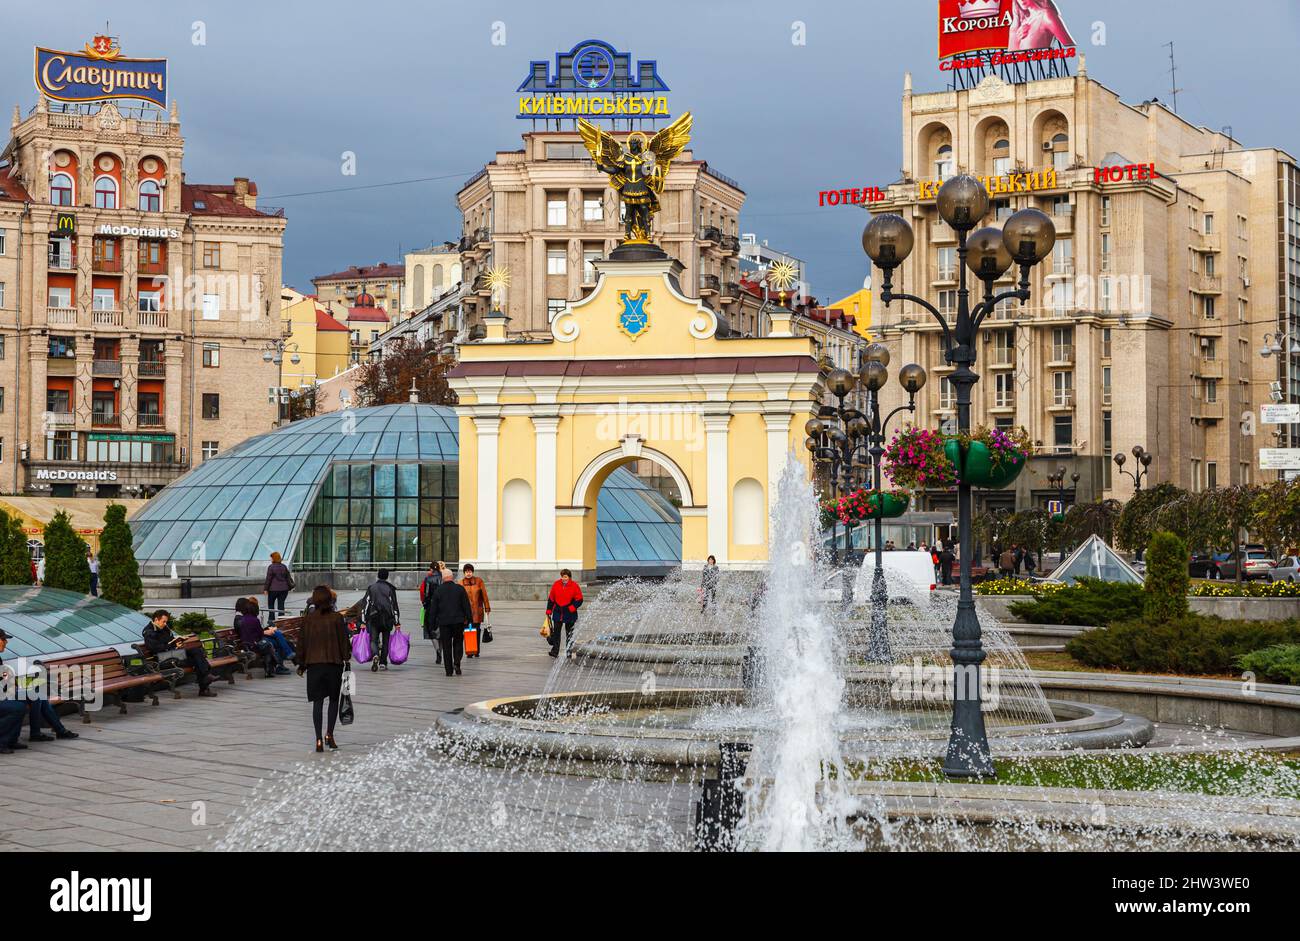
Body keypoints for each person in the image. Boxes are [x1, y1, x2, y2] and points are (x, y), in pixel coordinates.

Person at [297, 585, 352, 752]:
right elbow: (344, 642)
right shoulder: (336, 618)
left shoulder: (308, 619)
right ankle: (330, 734)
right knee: (334, 701)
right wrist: (346, 657)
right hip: (333, 664)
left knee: (317, 702)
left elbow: (302, 644)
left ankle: (318, 739)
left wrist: (301, 664)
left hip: (314, 665)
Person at [142, 610, 217, 697]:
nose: (165, 624)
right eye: (164, 621)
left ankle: (205, 680)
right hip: (162, 659)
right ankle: (205, 683)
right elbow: (155, 649)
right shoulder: (149, 631)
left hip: (172, 654)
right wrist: (171, 645)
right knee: (198, 659)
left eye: (166, 621)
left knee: (196, 653)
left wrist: (177, 642)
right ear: (156, 620)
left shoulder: (164, 628)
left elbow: (170, 640)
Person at [429, 569, 471, 676]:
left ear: (443, 578)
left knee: (447, 646)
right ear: (452, 577)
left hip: (444, 622)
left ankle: (448, 670)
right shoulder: (460, 589)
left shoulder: (438, 590)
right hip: (458, 621)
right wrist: (469, 620)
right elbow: (466, 606)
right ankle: (457, 663)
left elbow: (433, 609)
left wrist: (432, 624)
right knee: (458, 642)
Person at [235, 597, 289, 676]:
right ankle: (277, 666)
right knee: (271, 645)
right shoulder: (254, 620)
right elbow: (260, 634)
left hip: (247, 644)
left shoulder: (242, 619)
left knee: (273, 642)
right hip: (253, 645)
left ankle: (275, 667)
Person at [361, 569, 401, 672]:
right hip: (387, 619)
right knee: (385, 641)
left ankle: (375, 655)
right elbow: (394, 606)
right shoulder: (390, 589)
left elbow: (365, 604)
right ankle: (383, 662)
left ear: (378, 576)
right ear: (387, 576)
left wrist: (363, 621)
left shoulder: (371, 588)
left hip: (374, 618)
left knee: (373, 640)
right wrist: (397, 622)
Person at [545, 569, 584, 659]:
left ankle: (569, 652)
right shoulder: (556, 584)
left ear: (569, 577)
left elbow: (579, 599)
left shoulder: (574, 586)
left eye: (565, 576)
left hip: (570, 613)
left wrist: (572, 608)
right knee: (556, 633)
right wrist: (549, 610)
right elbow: (551, 598)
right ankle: (555, 651)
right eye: (562, 576)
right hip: (558, 612)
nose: (563, 578)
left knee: (569, 634)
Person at [460, 564, 491, 658]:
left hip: (477, 611)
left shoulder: (479, 581)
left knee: (476, 630)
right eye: (466, 571)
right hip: (465, 612)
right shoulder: (460, 583)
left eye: (470, 571)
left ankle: (476, 650)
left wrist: (487, 608)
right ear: (464, 572)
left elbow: (484, 596)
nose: (468, 573)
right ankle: (469, 651)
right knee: (467, 631)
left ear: (472, 572)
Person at [420, 563, 443, 662]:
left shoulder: (428, 579)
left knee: (432, 630)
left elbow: (426, 594)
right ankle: (440, 651)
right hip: (443, 608)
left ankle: (437, 651)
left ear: (431, 569)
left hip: (431, 608)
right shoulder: (443, 578)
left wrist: (425, 605)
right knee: (441, 631)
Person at [264, 551, 294, 626]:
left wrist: (265, 589)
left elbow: (268, 579)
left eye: (271, 558)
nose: (270, 559)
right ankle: (281, 621)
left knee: (271, 605)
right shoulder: (284, 566)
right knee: (281, 605)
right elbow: (288, 578)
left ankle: (271, 621)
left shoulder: (271, 567)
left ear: (274, 558)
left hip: (273, 590)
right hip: (284, 589)